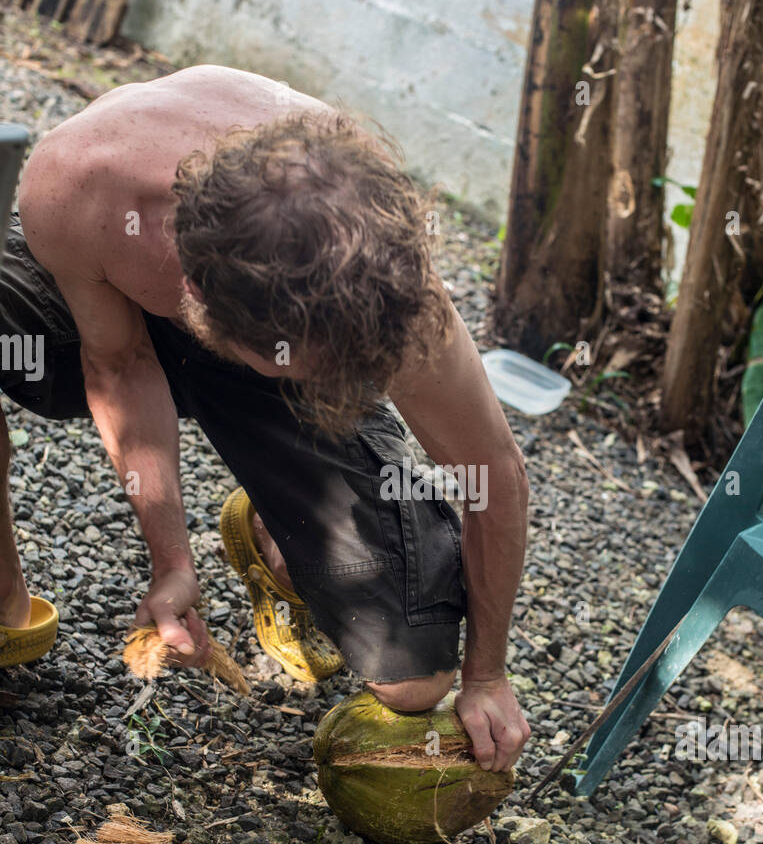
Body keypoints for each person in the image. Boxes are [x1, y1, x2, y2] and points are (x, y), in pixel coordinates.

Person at [0, 64, 530, 773]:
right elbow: (120, 365)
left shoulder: (380, 274)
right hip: (110, 283)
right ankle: (6, 606)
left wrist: (485, 675)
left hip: (280, 311)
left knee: (411, 681)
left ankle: (275, 531)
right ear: (192, 298)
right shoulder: (78, 183)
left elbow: (491, 472)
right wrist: (171, 566)